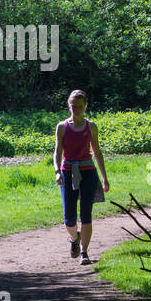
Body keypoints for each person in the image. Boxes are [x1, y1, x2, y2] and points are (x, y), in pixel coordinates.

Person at [53, 89, 109, 265]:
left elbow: (97, 152)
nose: (76, 109)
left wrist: (104, 177)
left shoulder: (91, 126)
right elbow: (57, 152)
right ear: (69, 106)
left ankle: (84, 252)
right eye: (73, 106)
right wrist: (57, 171)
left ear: (85, 106)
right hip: (68, 172)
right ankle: (74, 238)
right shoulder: (62, 127)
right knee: (69, 216)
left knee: (86, 213)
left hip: (88, 172)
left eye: (79, 106)